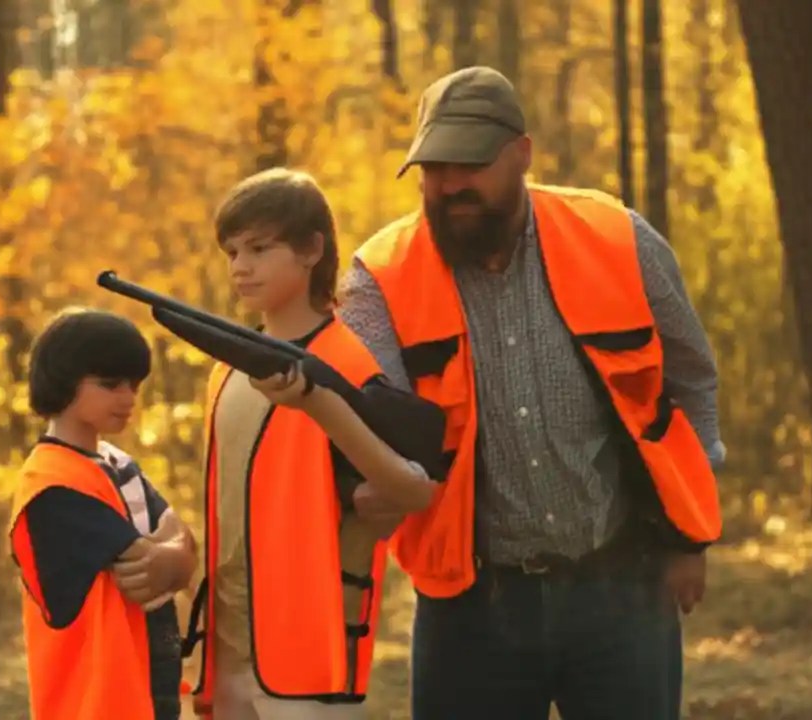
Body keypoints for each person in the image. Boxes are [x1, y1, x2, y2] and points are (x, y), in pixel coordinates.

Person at [337, 66, 727, 720]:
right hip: (470, 605)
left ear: (522, 154)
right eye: (434, 167)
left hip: (623, 590)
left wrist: (688, 534)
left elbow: (690, 378)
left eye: (470, 164)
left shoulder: (617, 236)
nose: (450, 184)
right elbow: (368, 432)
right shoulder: (378, 277)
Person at [184, 167, 437, 720]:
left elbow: (410, 490)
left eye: (258, 247)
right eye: (231, 252)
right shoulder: (227, 372)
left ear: (311, 249)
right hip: (228, 646)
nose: (239, 267)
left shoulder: (348, 364)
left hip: (313, 647)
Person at [8, 308, 199, 720]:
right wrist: (173, 558)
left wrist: (177, 558)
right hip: (94, 701)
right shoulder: (52, 482)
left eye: (133, 384)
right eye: (110, 384)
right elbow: (144, 563)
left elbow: (181, 543)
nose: (128, 397)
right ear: (62, 382)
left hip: (151, 683)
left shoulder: (115, 463)